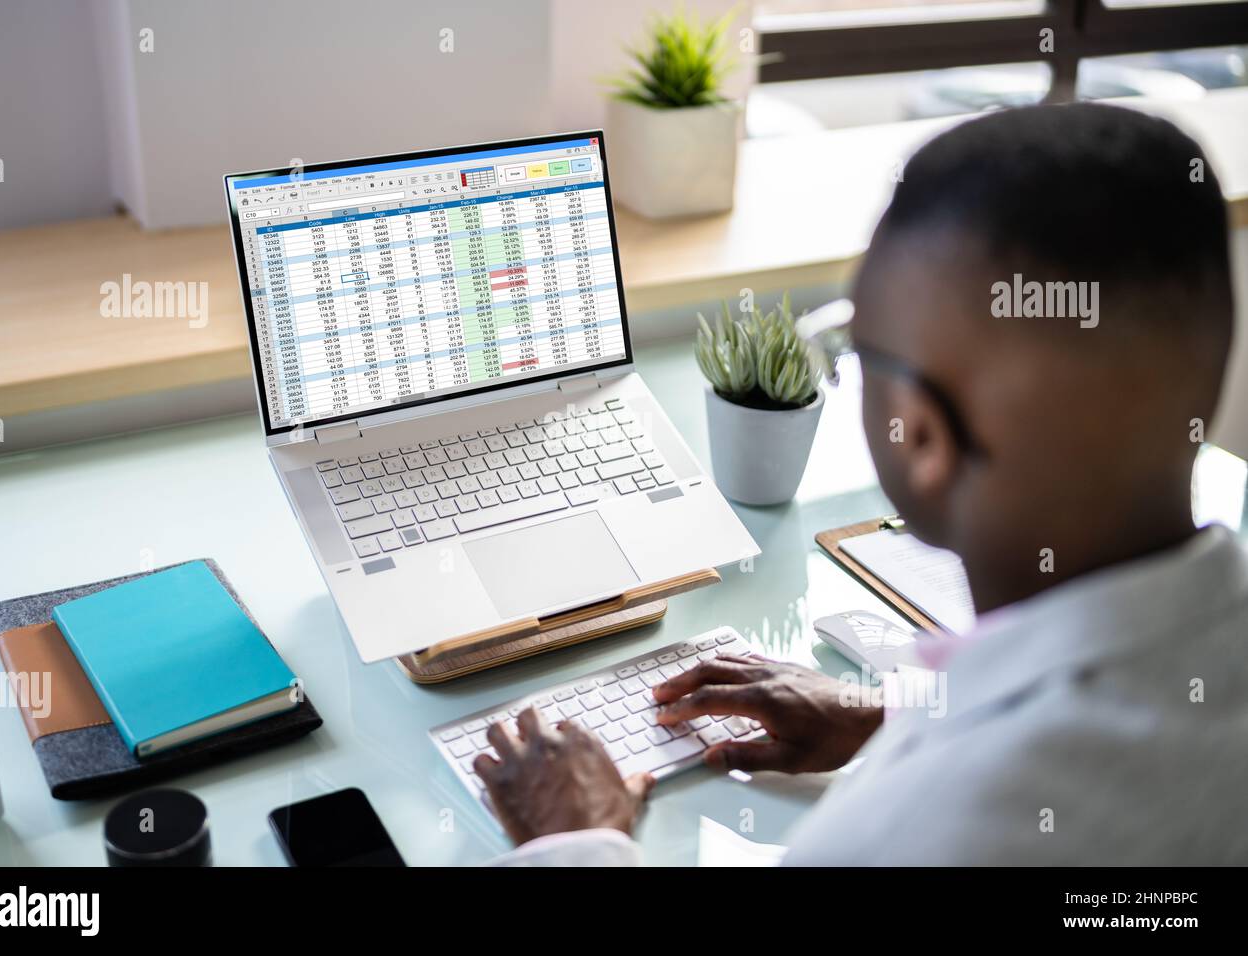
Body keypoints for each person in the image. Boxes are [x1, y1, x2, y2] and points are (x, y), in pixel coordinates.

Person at [473, 102, 1247, 865]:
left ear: (924, 435)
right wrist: (895, 711)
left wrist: (578, 843)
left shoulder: (901, 839)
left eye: (856, 352)